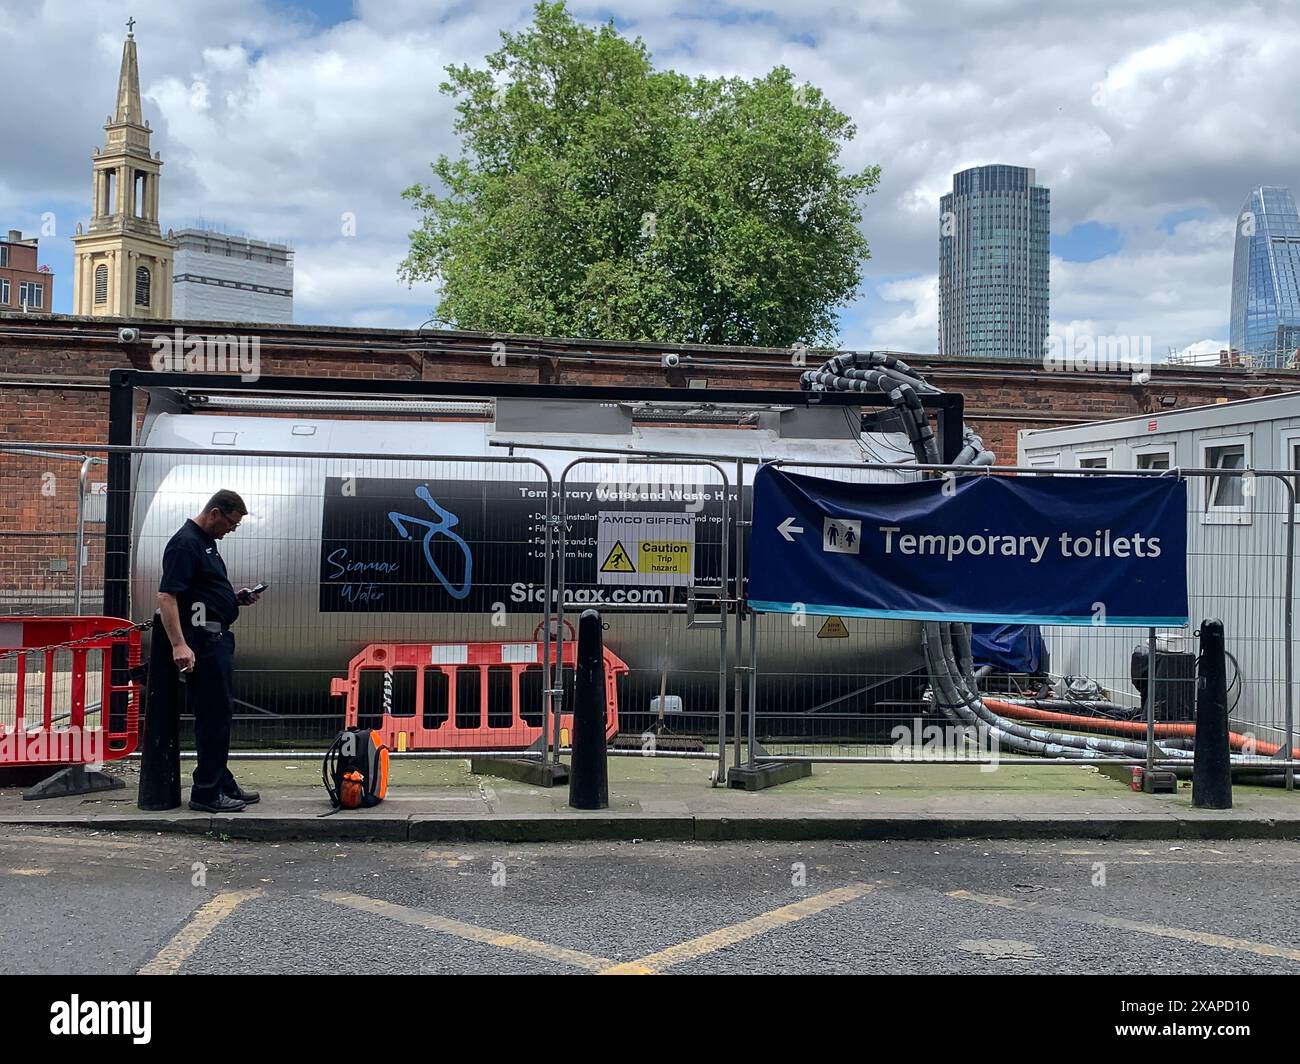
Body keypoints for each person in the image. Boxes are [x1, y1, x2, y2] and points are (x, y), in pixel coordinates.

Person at [157, 490, 262, 813]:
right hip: (203, 642)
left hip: (215, 638)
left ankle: (219, 779)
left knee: (219, 715)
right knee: (213, 717)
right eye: (230, 523)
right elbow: (167, 597)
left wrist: (233, 597)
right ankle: (205, 792)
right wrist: (179, 644)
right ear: (215, 513)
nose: (231, 530)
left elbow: (200, 592)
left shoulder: (205, 544)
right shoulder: (186, 543)